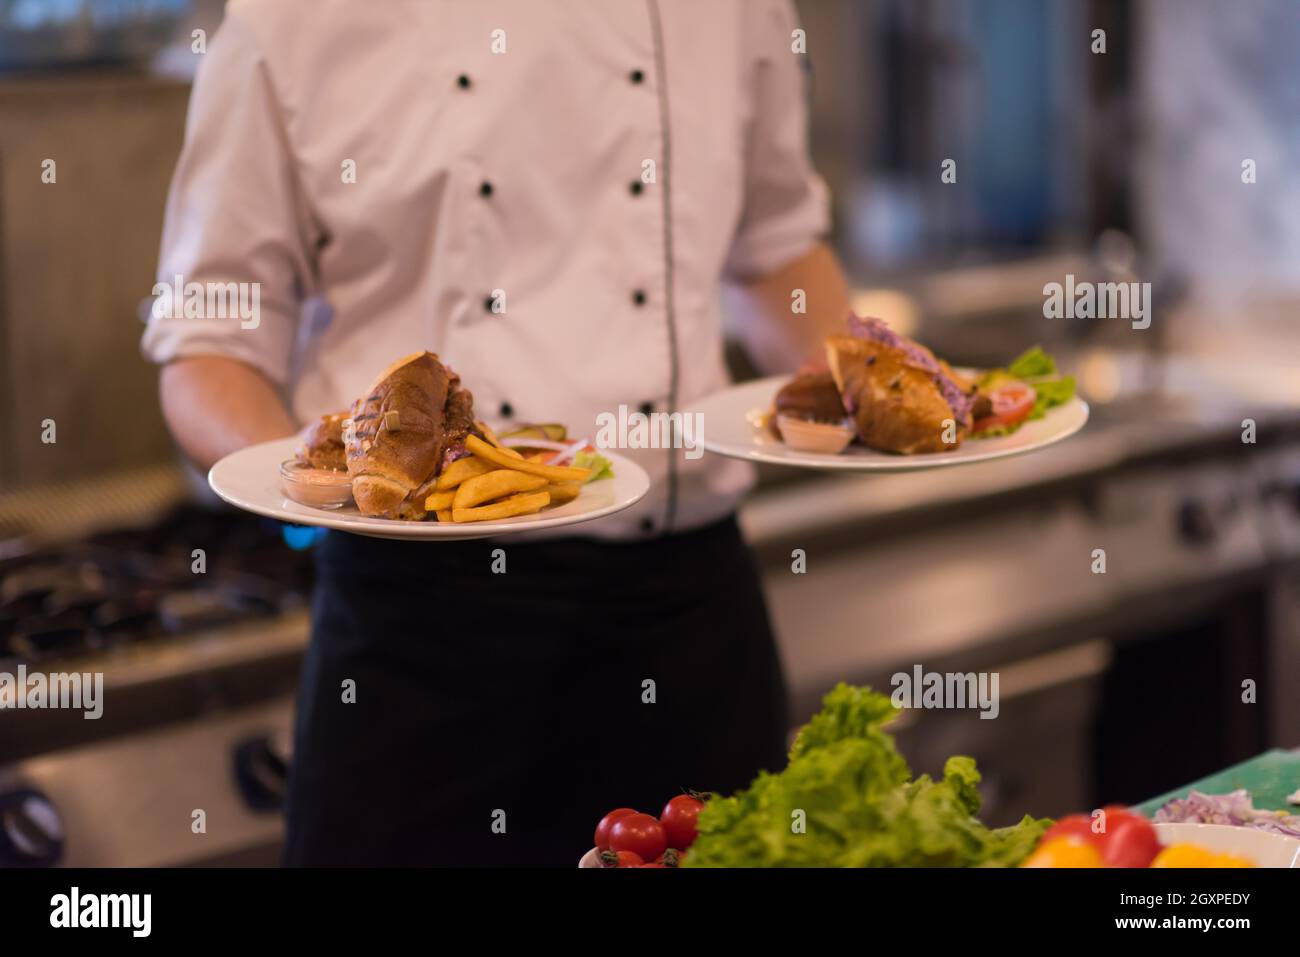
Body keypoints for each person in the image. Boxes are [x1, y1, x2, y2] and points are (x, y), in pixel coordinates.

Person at [143, 0, 851, 865]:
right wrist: (305, 482)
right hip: (414, 633)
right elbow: (209, 340)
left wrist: (874, 384)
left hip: (688, 618)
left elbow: (778, 247)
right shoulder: (290, 20)